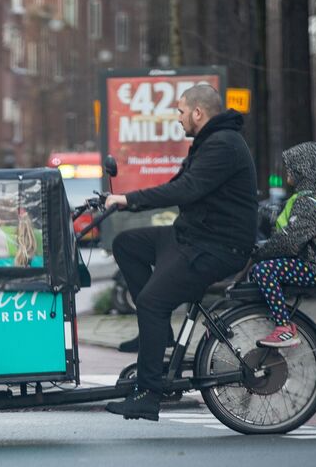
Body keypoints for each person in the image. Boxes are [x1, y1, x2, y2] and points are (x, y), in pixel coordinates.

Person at [102, 84, 258, 421]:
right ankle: (159, 333)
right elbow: (179, 183)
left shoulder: (223, 146)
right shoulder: (209, 142)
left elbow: (186, 189)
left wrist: (129, 200)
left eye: (181, 111)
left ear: (198, 113)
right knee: (126, 245)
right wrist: (122, 200)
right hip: (191, 236)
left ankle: (147, 395)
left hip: (216, 246)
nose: (178, 117)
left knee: (152, 302)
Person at [247, 142, 316, 348]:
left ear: (304, 170)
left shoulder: (307, 202)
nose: (288, 170)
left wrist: (260, 252)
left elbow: (289, 242)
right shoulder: (313, 197)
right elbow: (289, 225)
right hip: (312, 263)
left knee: (263, 271)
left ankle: (284, 327)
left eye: (292, 166)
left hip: (314, 268)